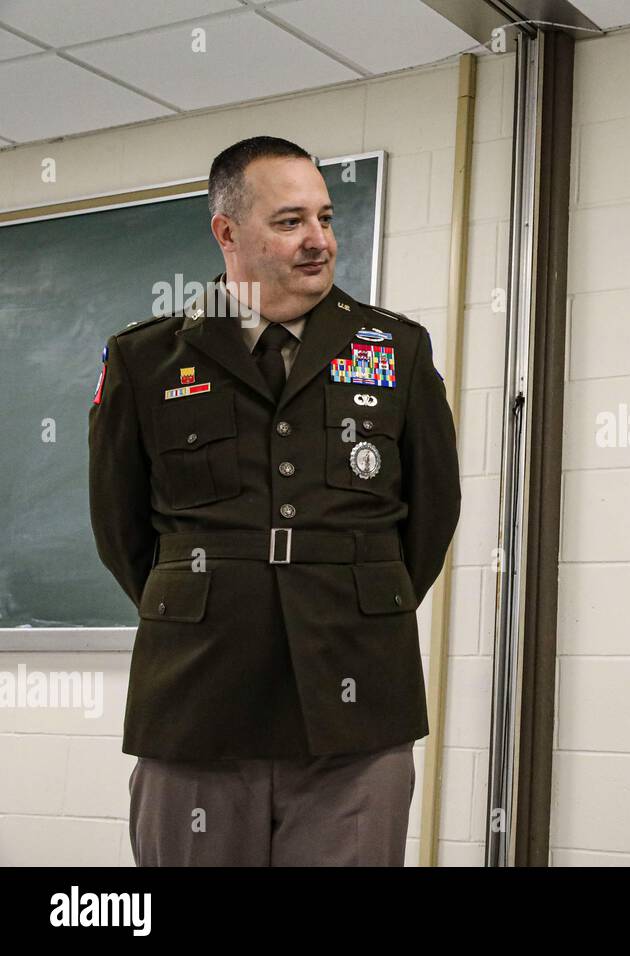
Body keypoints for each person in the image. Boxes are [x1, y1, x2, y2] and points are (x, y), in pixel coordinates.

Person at [88, 136, 461, 866]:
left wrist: (352, 599)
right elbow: (119, 527)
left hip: (357, 705)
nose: (318, 240)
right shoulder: (146, 359)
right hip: (197, 701)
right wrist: (212, 596)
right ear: (227, 232)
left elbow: (431, 516)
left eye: (325, 217)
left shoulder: (395, 349)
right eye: (290, 221)